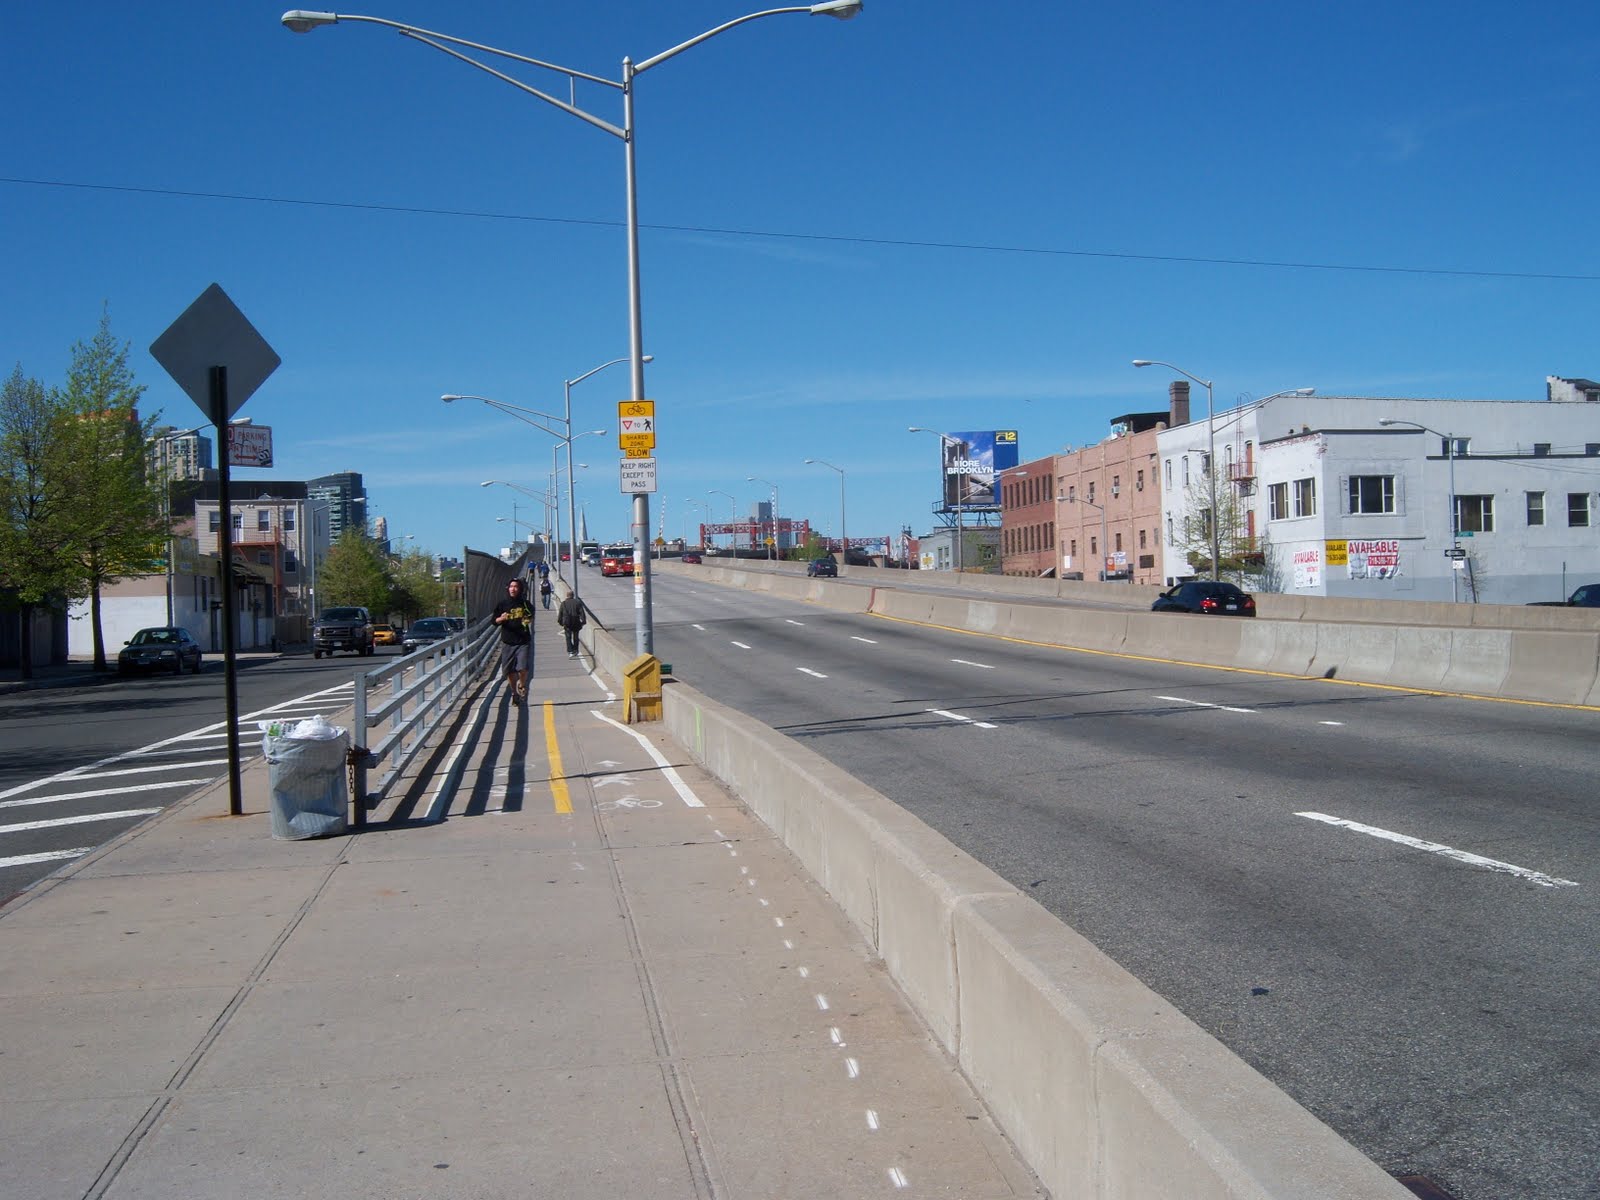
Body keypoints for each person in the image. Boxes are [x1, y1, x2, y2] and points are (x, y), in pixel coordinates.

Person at [492, 578, 533, 703]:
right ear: (508, 588)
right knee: (509, 671)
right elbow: (494, 621)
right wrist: (501, 619)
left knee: (523, 667)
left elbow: (530, 616)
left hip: (523, 641)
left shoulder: (525, 604)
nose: (513, 589)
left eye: (515, 586)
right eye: (511, 586)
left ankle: (522, 684)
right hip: (508, 641)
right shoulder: (502, 604)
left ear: (519, 589)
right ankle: (514, 693)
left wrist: (527, 620)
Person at [556, 592, 587, 658]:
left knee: (568, 637)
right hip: (576, 622)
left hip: (567, 623)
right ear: (573, 596)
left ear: (567, 596)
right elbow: (582, 613)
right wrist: (583, 622)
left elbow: (560, 615)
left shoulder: (563, 604)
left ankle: (570, 651)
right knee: (576, 637)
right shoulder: (577, 602)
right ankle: (576, 650)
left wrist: (561, 623)